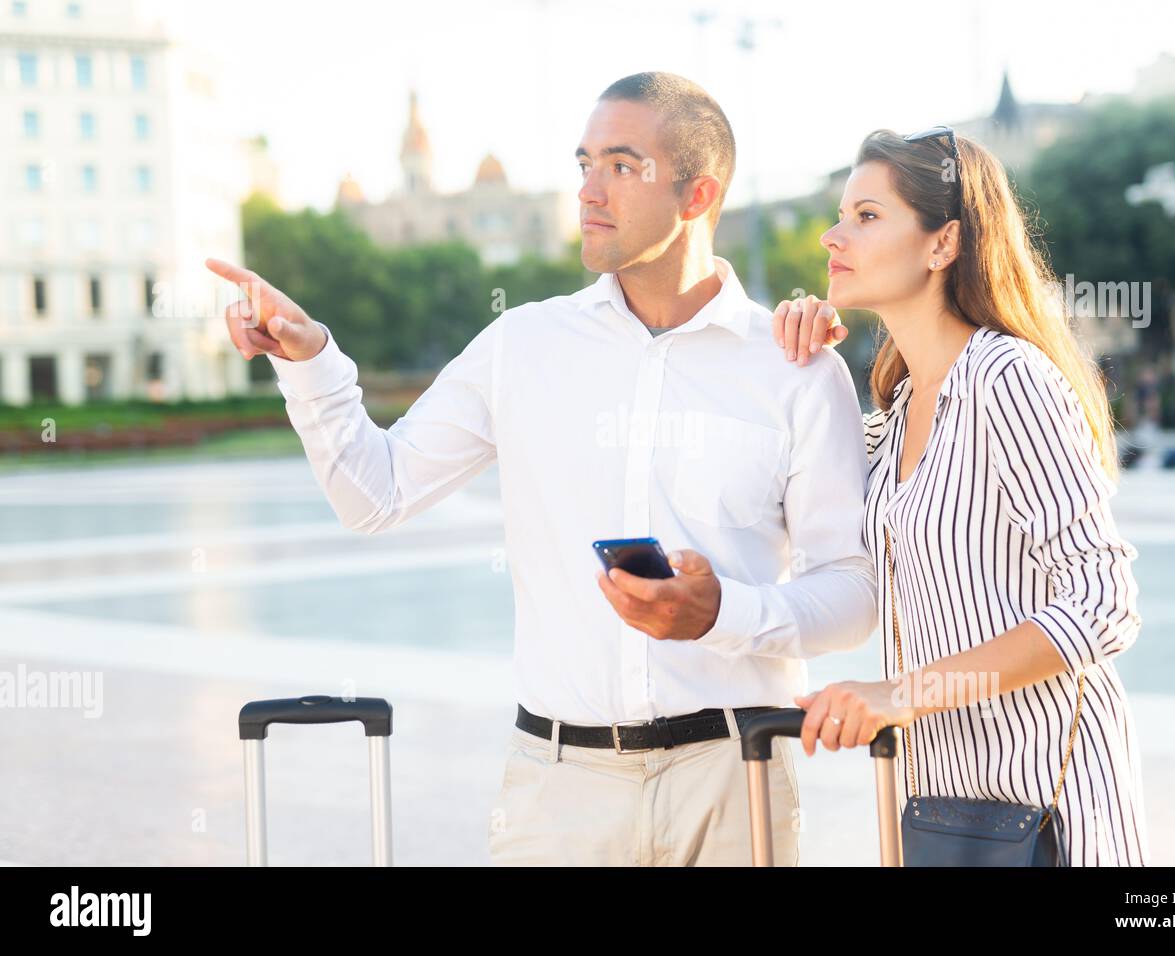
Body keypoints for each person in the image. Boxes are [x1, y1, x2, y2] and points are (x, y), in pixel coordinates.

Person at [205, 72, 877, 866]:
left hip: (736, 780)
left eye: (621, 167)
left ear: (697, 195)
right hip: (557, 796)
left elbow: (853, 596)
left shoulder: (795, 367)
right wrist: (312, 358)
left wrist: (720, 613)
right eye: (584, 162)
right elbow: (375, 495)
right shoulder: (522, 345)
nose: (589, 190)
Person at [771, 128, 1150, 865]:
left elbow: (1105, 603)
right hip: (947, 810)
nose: (832, 234)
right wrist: (801, 362)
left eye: (867, 217)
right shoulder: (899, 407)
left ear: (943, 244)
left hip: (1052, 812)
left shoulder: (1006, 378)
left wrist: (899, 695)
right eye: (842, 215)